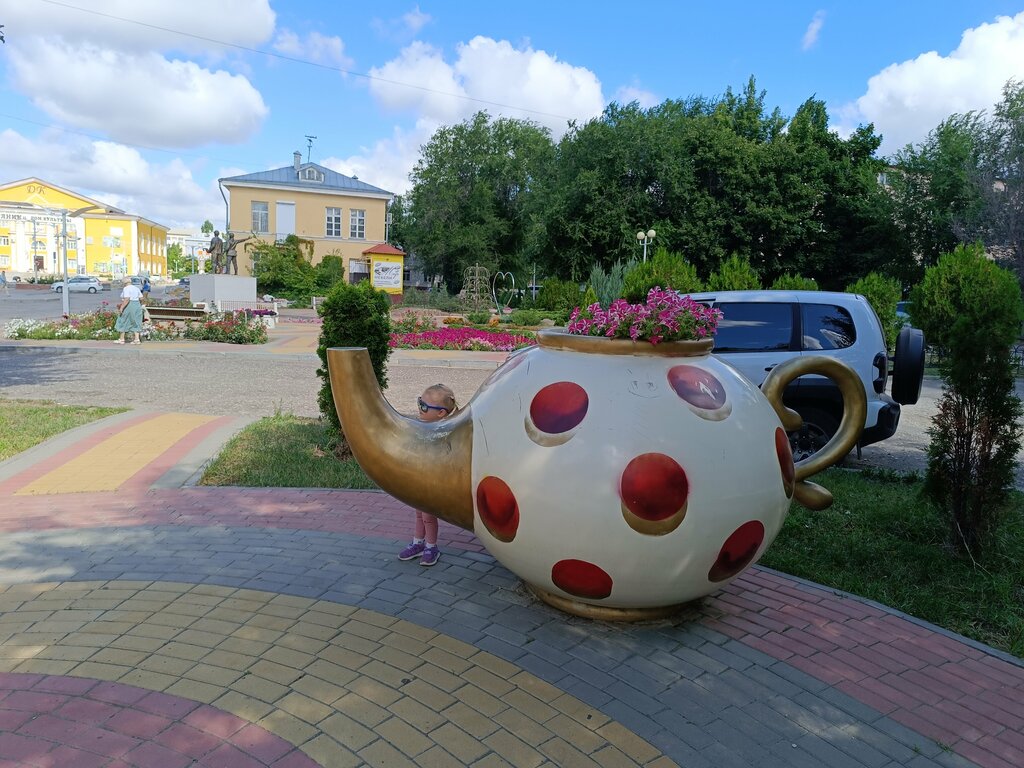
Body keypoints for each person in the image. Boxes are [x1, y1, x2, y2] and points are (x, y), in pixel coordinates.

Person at [398, 384, 458, 567]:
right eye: (419, 402)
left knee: (428, 516)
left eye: (424, 406)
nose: (419, 409)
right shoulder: (422, 427)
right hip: (419, 478)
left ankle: (431, 547)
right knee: (419, 514)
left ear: (440, 412)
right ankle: (418, 542)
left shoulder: (443, 432)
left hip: (431, 482)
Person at [114, 276, 144, 344]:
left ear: (124, 283)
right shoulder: (136, 288)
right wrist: (139, 304)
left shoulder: (126, 288)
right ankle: (137, 339)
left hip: (129, 305)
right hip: (137, 305)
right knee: (136, 321)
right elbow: (141, 298)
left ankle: (121, 339)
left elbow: (127, 299)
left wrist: (121, 307)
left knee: (123, 320)